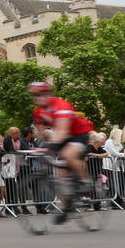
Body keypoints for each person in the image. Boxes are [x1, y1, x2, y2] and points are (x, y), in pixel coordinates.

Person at [28, 82, 95, 221]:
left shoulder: (61, 105)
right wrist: (42, 147)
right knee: (62, 174)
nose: (38, 97)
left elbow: (62, 132)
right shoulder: (38, 112)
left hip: (79, 132)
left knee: (67, 155)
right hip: (62, 135)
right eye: (35, 95)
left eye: (41, 94)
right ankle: (66, 206)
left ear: (48, 94)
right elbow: (42, 133)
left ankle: (85, 179)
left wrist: (50, 147)